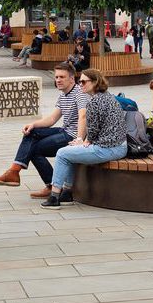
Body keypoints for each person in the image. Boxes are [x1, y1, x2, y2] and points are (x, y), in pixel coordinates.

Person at [0, 63, 88, 198]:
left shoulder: (79, 93)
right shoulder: (63, 95)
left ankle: (46, 184)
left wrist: (79, 139)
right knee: (32, 132)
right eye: (56, 77)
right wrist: (33, 124)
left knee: (34, 150)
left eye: (62, 77)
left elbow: (83, 116)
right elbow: (52, 118)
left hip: (72, 136)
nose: (58, 80)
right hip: (64, 131)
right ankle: (15, 172)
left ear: (72, 79)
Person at [41, 68, 127, 209]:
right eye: (79, 81)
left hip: (109, 149)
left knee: (62, 153)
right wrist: (83, 142)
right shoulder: (107, 96)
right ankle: (67, 193)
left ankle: (54, 197)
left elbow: (92, 130)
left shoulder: (94, 102)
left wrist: (85, 141)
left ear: (95, 82)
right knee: (70, 151)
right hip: (118, 146)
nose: (80, 85)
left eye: (83, 82)